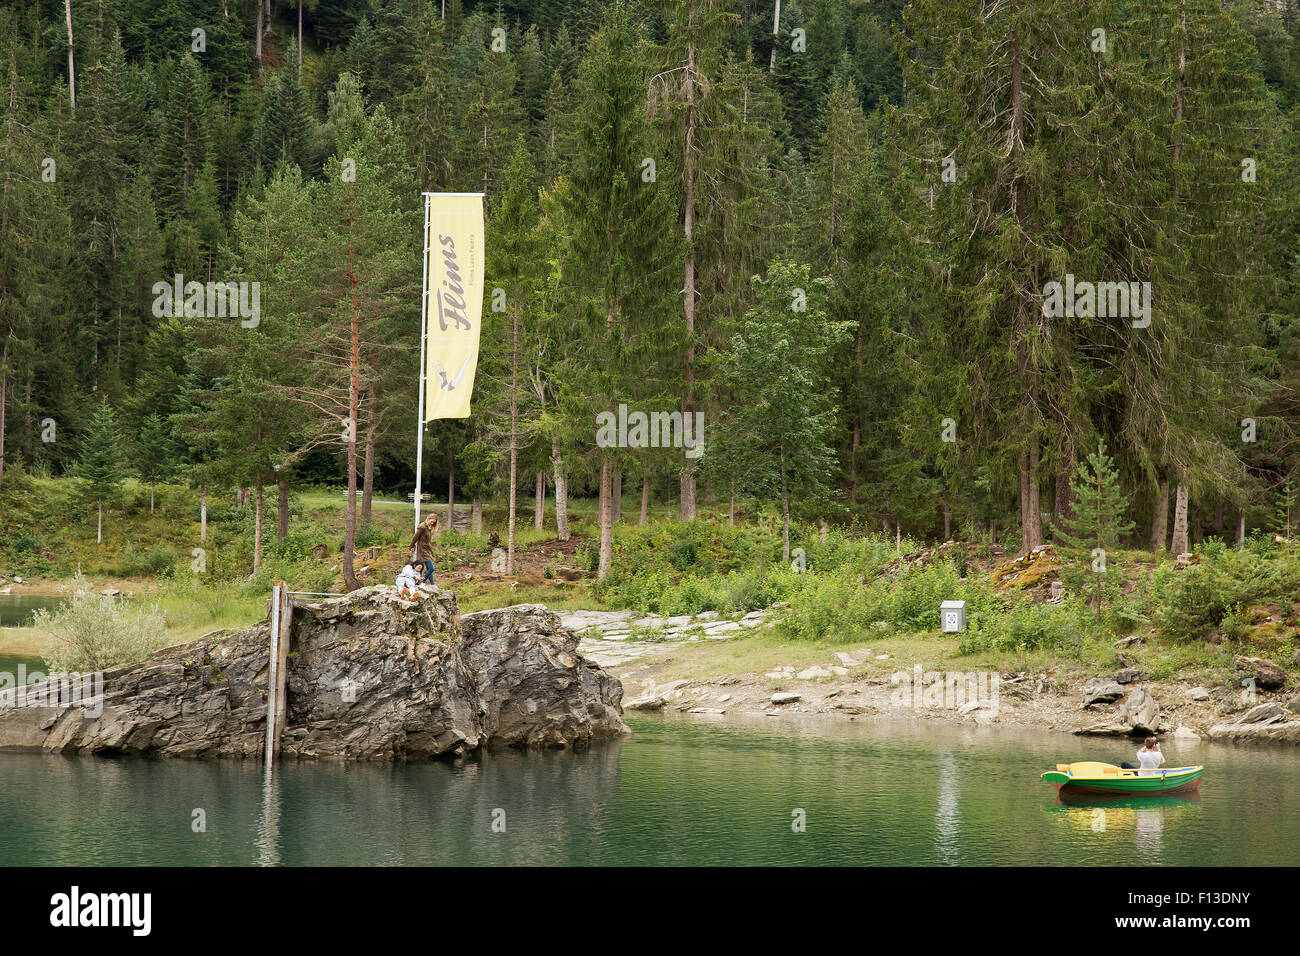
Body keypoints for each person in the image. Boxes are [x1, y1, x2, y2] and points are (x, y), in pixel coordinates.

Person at [410, 513, 439, 585]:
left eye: (434, 522)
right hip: (422, 549)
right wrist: (411, 546)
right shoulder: (422, 527)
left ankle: (432, 584)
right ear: (428, 518)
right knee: (431, 568)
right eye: (431, 521)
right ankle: (421, 581)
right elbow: (415, 537)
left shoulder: (428, 527)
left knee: (429, 568)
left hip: (427, 548)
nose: (432, 523)